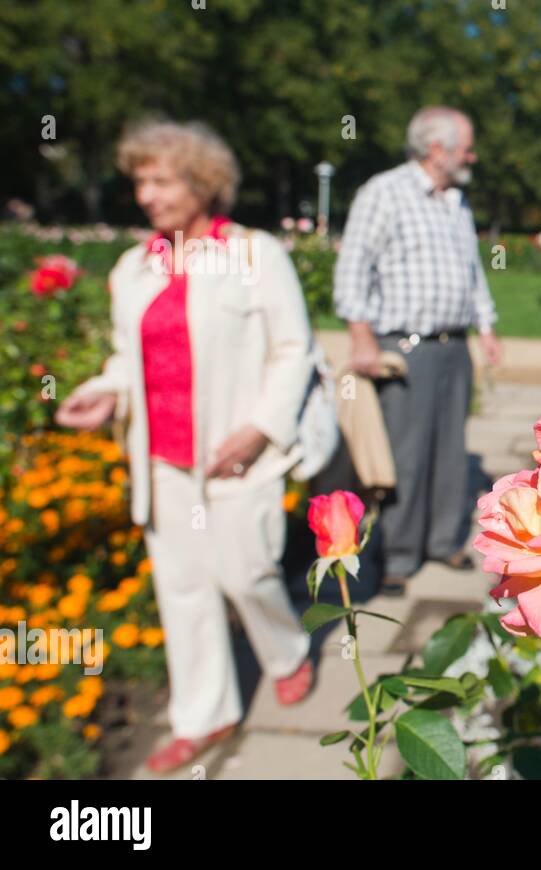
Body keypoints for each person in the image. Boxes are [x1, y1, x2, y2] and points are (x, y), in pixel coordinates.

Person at [56, 120, 316, 774]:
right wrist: (105, 394)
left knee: (246, 573)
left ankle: (286, 653)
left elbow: (294, 351)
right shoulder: (132, 268)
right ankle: (206, 715)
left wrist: (260, 429)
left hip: (237, 455)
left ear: (201, 182)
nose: (146, 194)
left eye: (161, 180)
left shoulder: (256, 254)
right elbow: (129, 359)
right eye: (140, 181)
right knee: (184, 590)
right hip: (162, 463)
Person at [333, 106, 500, 596]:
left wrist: (486, 326)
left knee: (450, 449)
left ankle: (444, 540)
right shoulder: (384, 192)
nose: (472, 155)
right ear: (435, 149)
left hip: (454, 346)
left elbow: (473, 271)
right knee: (404, 454)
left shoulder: (457, 202)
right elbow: (353, 266)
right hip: (404, 348)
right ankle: (399, 555)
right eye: (466, 146)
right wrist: (361, 336)